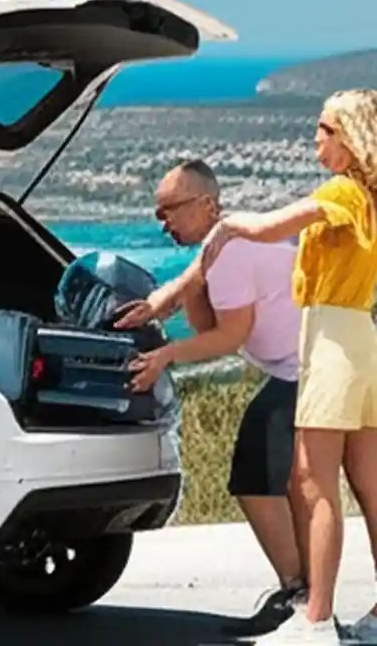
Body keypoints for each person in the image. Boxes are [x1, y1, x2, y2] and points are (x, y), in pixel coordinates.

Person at [199, 89, 377, 645]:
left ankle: (317, 621)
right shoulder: (369, 198)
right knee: (369, 486)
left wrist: (228, 226)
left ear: (348, 138)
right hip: (363, 336)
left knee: (312, 482)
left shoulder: (342, 192)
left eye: (325, 128)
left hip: (332, 340)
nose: (316, 138)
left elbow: (281, 224)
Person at [115, 158, 307, 637]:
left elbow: (227, 337)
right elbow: (197, 291)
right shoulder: (224, 243)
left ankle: (297, 592)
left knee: (254, 476)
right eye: (159, 215)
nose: (165, 224)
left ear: (206, 204)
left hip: (302, 373)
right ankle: (306, 591)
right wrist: (161, 302)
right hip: (306, 369)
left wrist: (164, 355)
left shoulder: (233, 251)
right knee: (289, 484)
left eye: (171, 211)